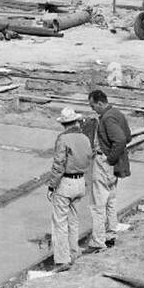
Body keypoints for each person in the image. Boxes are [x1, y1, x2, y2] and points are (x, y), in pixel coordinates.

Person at [86, 89, 131, 251]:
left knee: (98, 203)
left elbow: (119, 140)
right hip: (113, 165)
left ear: (100, 103)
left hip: (105, 163)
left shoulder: (107, 118)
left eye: (93, 106)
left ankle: (98, 241)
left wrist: (109, 158)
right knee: (111, 200)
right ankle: (111, 234)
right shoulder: (117, 113)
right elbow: (128, 136)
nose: (92, 109)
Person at [48, 107, 91, 271]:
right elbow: (89, 157)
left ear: (64, 124)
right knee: (73, 220)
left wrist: (52, 185)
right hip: (80, 181)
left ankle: (62, 259)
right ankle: (74, 253)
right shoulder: (85, 138)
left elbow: (58, 164)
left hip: (66, 182)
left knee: (59, 222)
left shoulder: (63, 139)